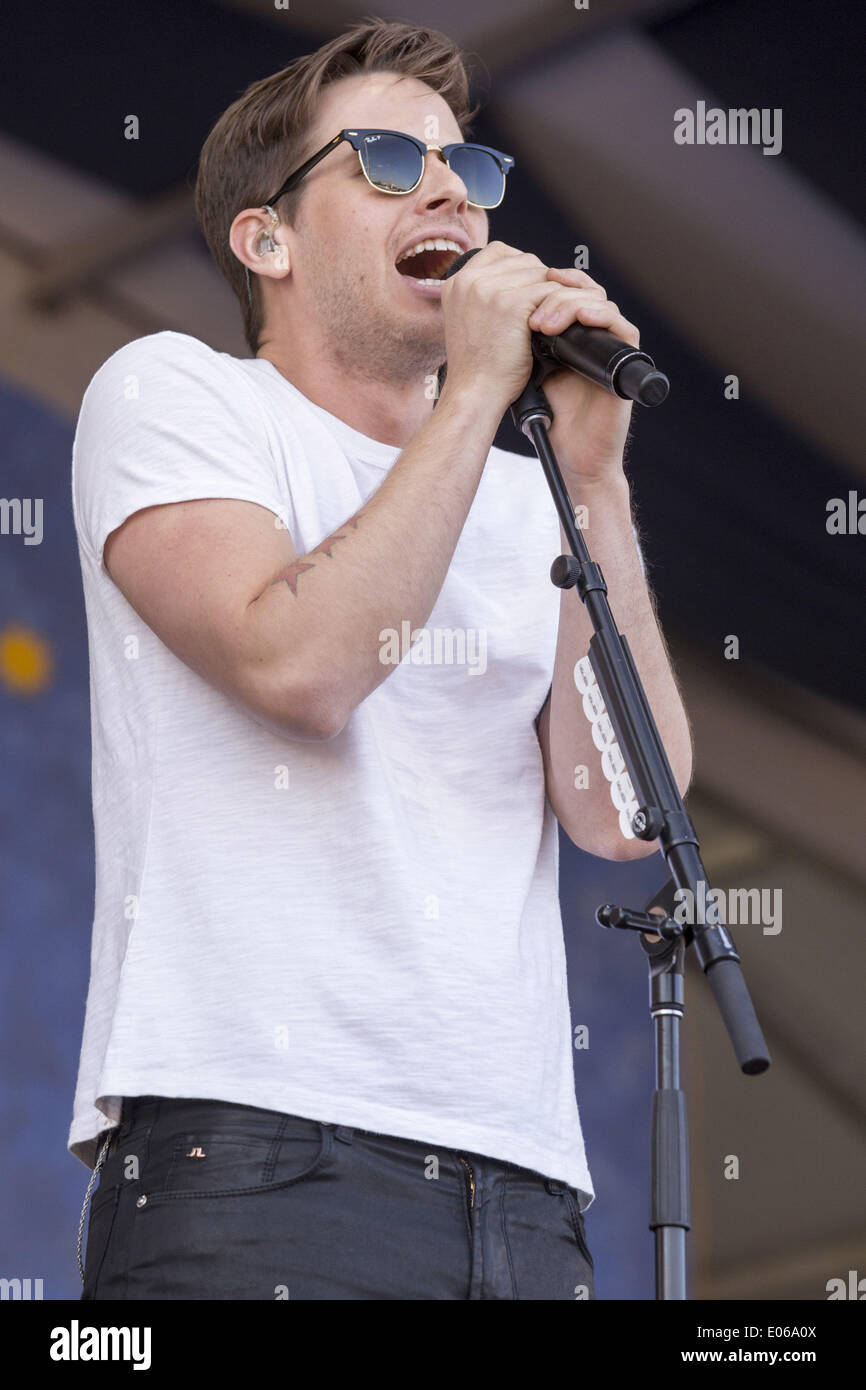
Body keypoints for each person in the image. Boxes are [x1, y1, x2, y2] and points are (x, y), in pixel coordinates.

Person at [71, 17, 692, 1300]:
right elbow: (297, 667)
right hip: (251, 1151)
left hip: (522, 1184)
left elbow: (628, 813)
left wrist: (591, 477)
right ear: (268, 239)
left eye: (467, 166)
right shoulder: (180, 397)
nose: (454, 190)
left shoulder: (532, 503)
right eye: (390, 163)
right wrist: (474, 392)